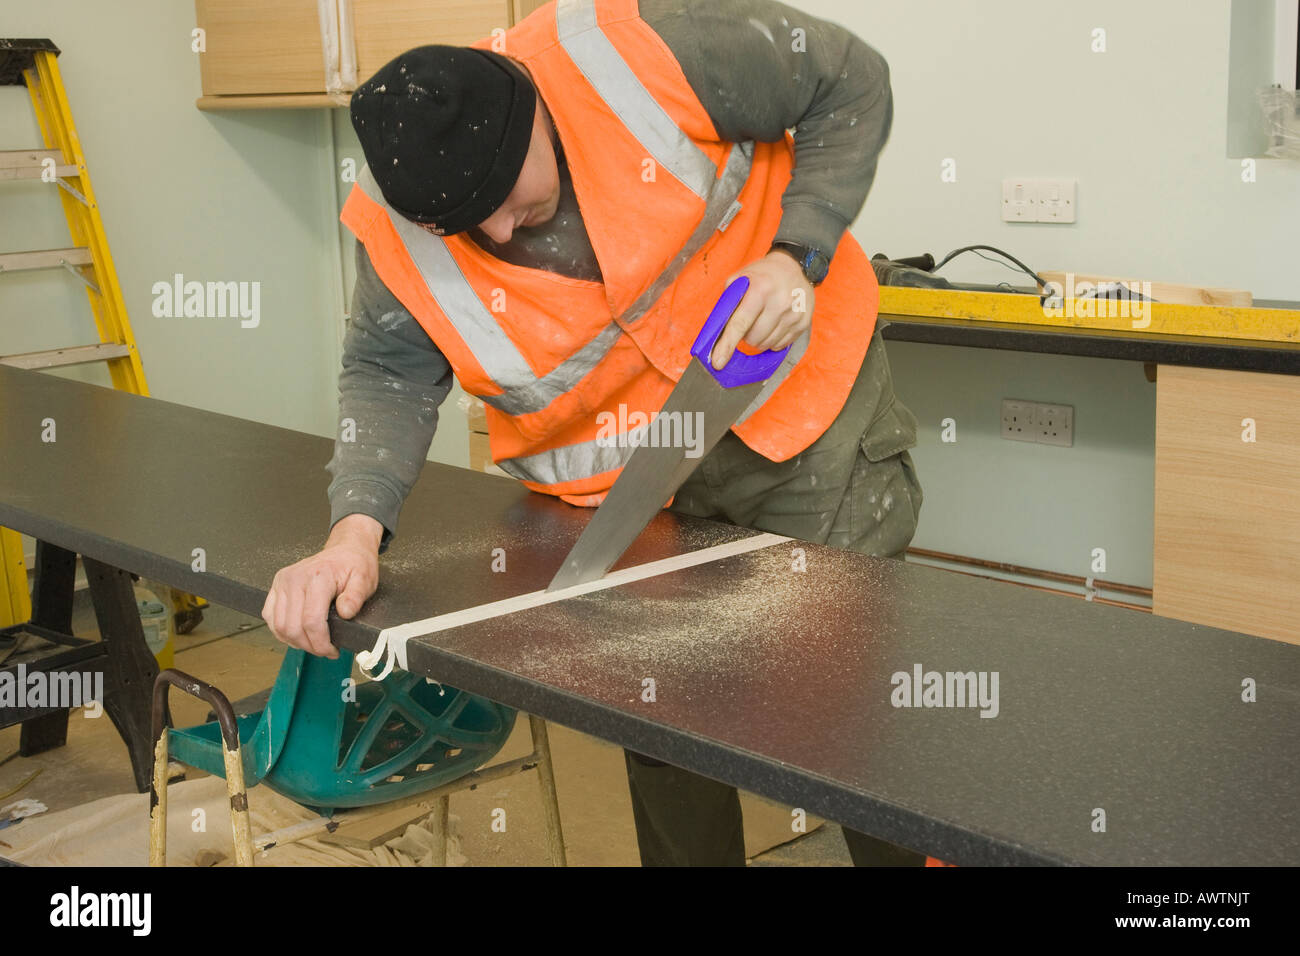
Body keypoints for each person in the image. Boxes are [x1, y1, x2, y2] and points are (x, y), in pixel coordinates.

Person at [263, 0, 925, 866]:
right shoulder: (402, 210)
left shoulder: (642, 49)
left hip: (806, 415)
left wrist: (795, 253)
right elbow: (387, 374)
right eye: (465, 226)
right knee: (657, 706)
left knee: (851, 700)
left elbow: (851, 80)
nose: (495, 234)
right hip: (627, 489)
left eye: (505, 202)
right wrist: (353, 531)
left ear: (533, 113)